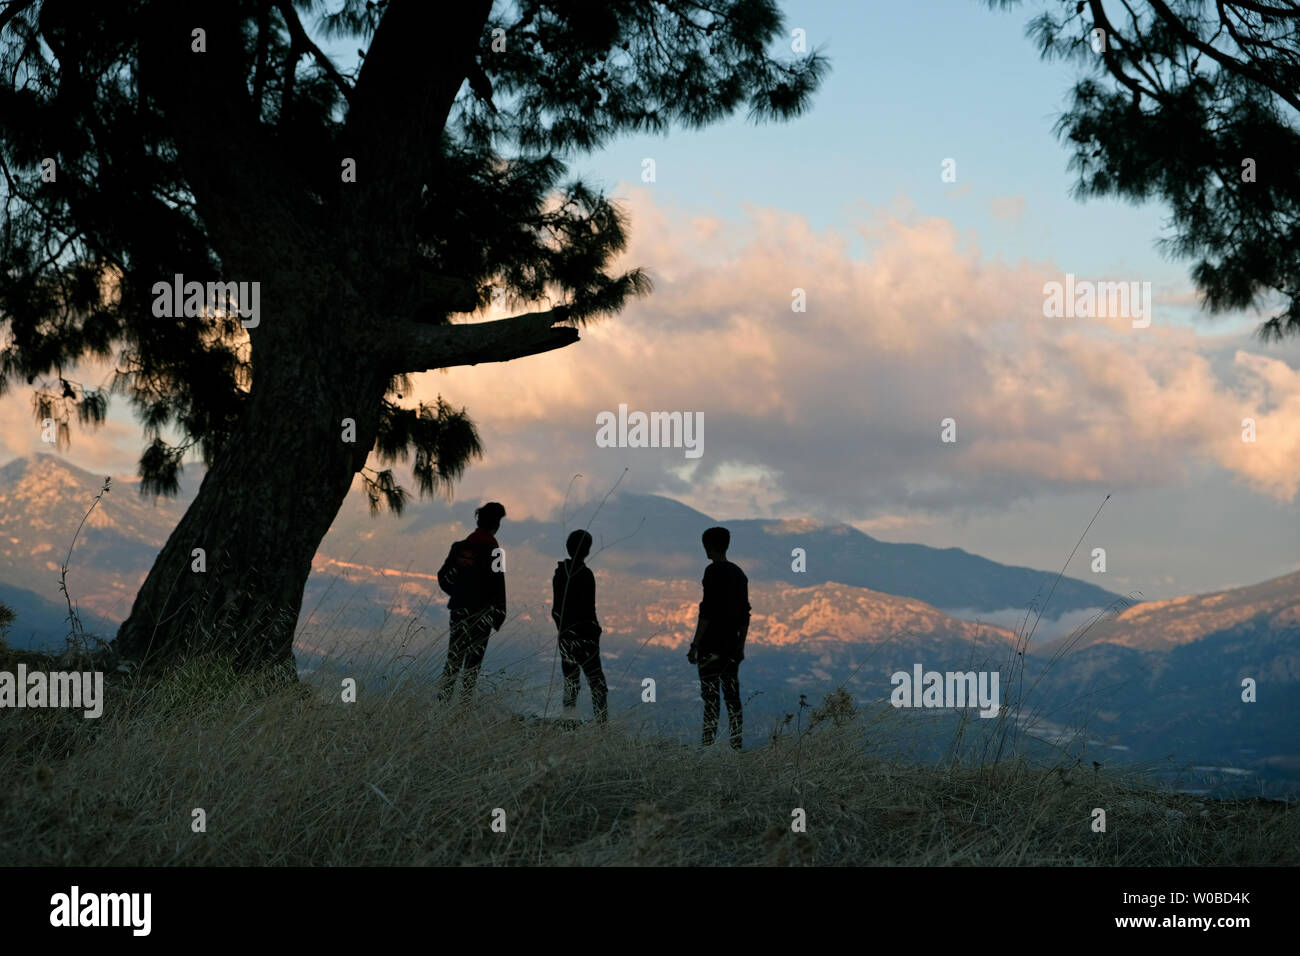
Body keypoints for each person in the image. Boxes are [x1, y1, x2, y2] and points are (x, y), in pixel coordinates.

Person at [435, 502, 507, 704]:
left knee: (453, 658)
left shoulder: (460, 547)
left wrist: (457, 593)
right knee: (473, 664)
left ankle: (443, 701)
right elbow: (499, 587)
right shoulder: (496, 553)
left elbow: (443, 576)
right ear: (496, 524)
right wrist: (498, 615)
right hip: (482, 614)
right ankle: (463, 706)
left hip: (458, 610)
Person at [687, 526, 750, 750]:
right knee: (733, 697)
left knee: (711, 698)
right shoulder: (739, 573)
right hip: (731, 645)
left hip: (711, 644)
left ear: (709, 546)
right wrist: (740, 646)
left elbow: (707, 611)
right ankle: (736, 745)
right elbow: (745, 614)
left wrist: (695, 644)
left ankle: (707, 745)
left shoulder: (712, 572)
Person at [551, 530, 608, 723]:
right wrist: (595, 631)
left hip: (566, 635)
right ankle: (602, 725)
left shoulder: (560, 574)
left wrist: (563, 630)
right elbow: (589, 609)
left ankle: (569, 721)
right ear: (587, 550)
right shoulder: (585, 575)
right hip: (586, 636)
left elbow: (556, 610)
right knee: (597, 683)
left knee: (571, 682)